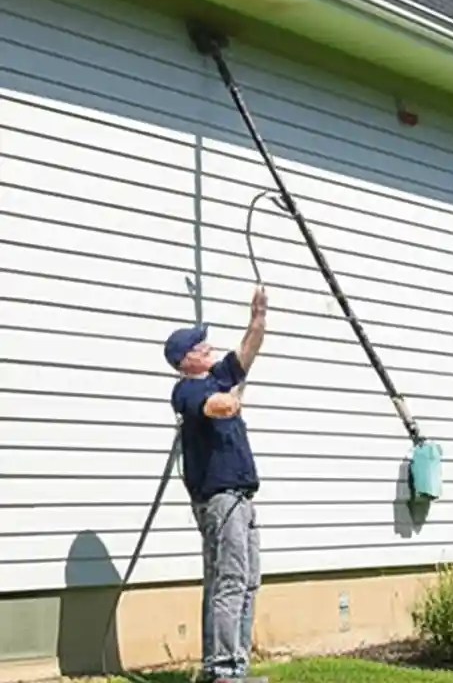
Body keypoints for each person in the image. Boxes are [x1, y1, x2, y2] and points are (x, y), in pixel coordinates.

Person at [163, 285, 269, 683]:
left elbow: (246, 353)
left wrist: (257, 321)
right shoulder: (187, 390)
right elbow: (218, 407)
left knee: (247, 581)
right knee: (229, 580)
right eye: (200, 345)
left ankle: (232, 666)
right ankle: (224, 670)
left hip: (241, 496)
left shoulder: (216, 377)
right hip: (220, 499)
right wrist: (235, 395)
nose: (208, 346)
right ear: (186, 360)